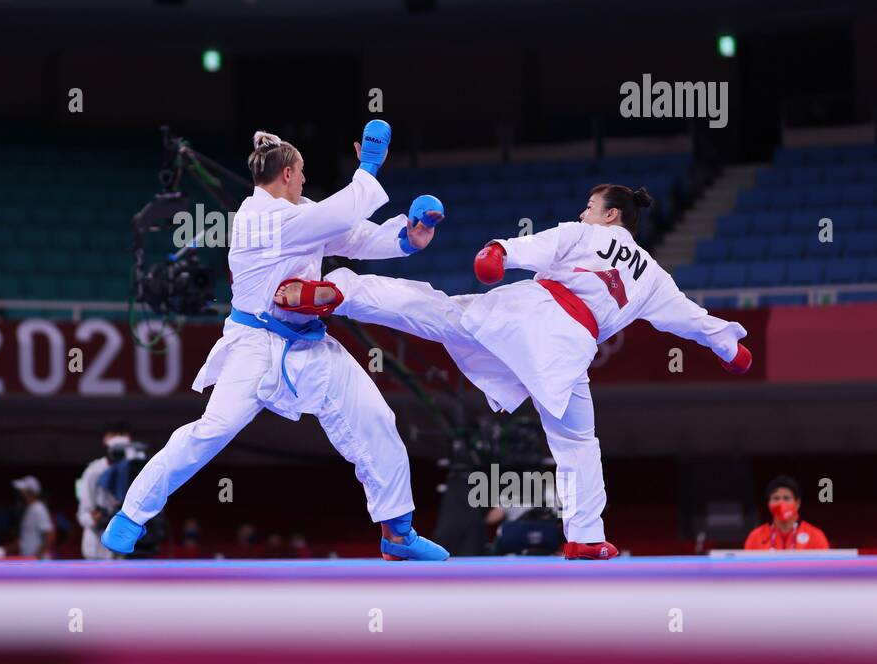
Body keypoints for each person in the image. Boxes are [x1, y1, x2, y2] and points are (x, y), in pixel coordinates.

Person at [278, 183, 752, 559]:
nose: (585, 212)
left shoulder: (584, 233)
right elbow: (689, 318)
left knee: (437, 313)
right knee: (577, 442)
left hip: (527, 315)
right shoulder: (653, 275)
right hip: (566, 352)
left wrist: (499, 252)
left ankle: (342, 292)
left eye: (591, 206)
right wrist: (727, 345)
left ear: (612, 215)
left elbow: (534, 247)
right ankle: (586, 536)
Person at [102, 122, 450, 561]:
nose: (305, 179)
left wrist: (407, 236)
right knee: (213, 430)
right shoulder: (259, 219)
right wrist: (368, 168)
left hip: (310, 344)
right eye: (301, 171)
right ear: (286, 173)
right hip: (254, 346)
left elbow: (354, 236)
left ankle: (398, 534)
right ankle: (131, 514)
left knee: (375, 417)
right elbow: (339, 217)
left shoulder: (301, 212)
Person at [75, 422, 130, 559]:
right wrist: (95, 519)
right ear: (105, 439)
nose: (118, 439)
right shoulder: (94, 471)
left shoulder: (135, 467)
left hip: (126, 535)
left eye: (122, 435)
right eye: (113, 435)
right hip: (98, 541)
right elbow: (83, 513)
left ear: (129, 438)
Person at [743, 476, 831, 551]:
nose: (781, 503)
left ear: (797, 503)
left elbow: (824, 569)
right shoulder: (755, 537)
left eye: (786, 498)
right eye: (776, 498)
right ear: (769, 504)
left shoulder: (815, 536)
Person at [14, 476, 56, 560]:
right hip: (28, 560)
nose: (20, 493)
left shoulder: (39, 509)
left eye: (22, 491)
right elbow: (25, 539)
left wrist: (38, 556)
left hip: (37, 563)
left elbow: (50, 535)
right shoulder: (30, 509)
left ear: (29, 492)